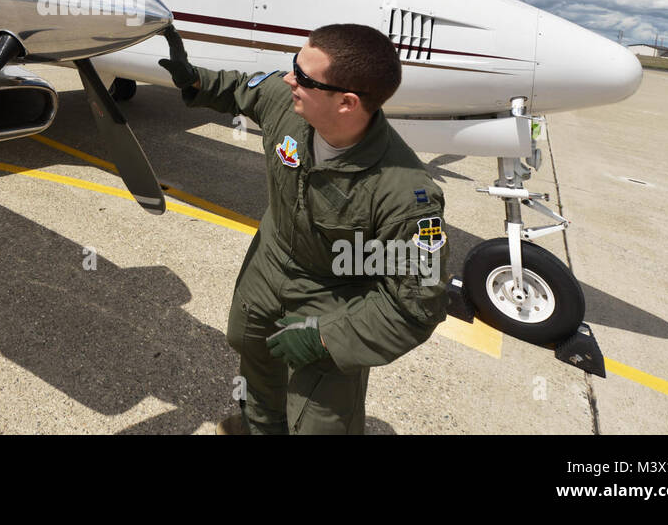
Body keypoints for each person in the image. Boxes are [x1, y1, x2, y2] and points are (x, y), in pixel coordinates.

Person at [158, 23, 449, 434]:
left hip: (336, 298)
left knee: (322, 422)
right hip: (269, 264)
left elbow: (417, 304)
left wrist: (327, 337)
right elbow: (245, 88)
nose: (291, 77)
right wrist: (197, 80)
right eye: (294, 65)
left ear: (347, 103)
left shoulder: (407, 197)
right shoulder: (287, 100)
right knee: (252, 357)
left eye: (305, 76)